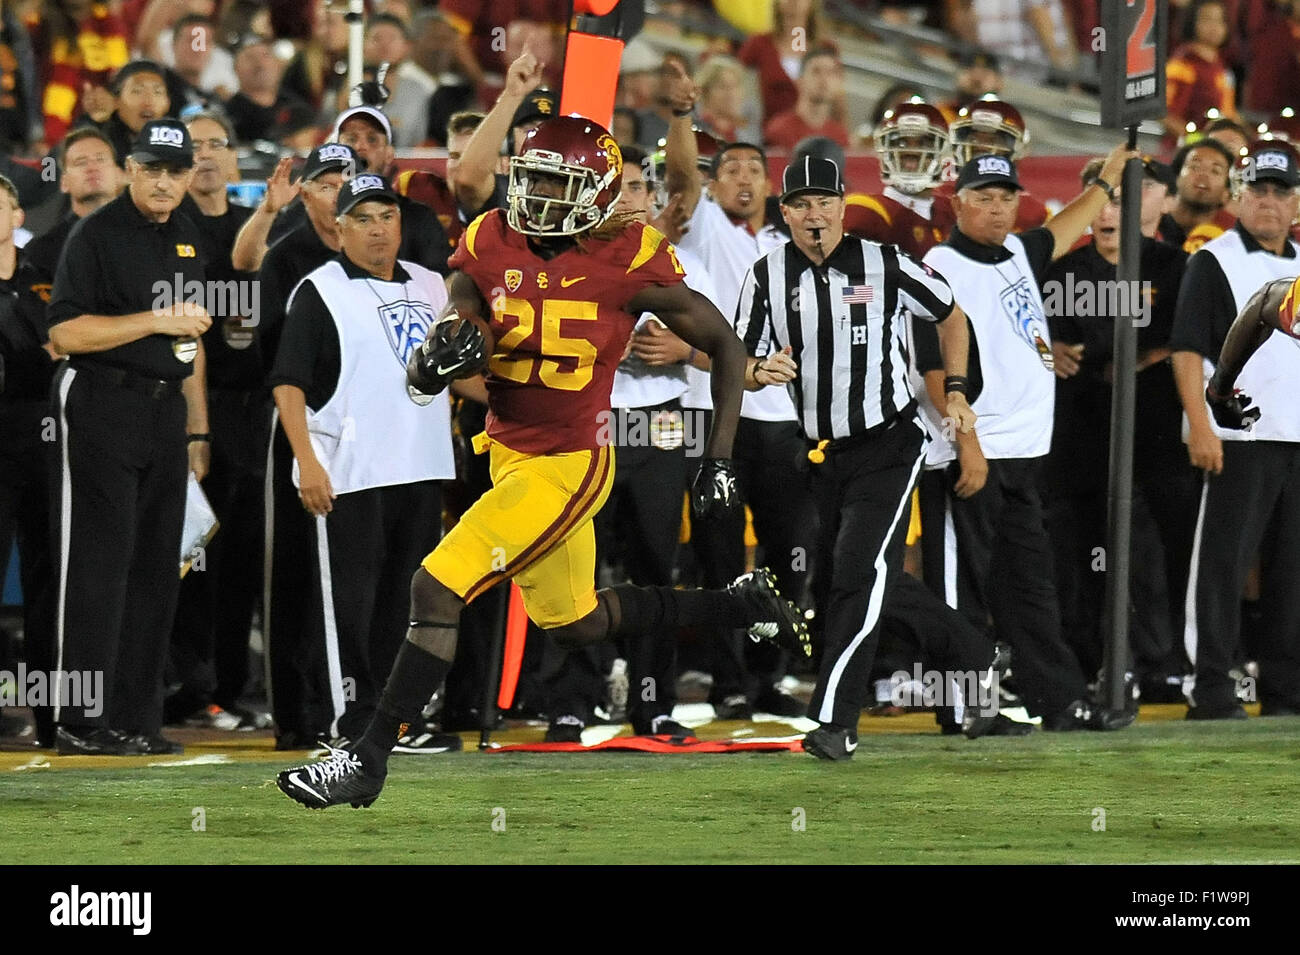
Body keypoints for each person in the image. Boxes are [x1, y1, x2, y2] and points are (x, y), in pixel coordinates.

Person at [275, 113, 810, 809]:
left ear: (594, 192)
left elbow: (729, 346)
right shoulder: (489, 238)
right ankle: (735, 604)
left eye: (556, 182)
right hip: (506, 452)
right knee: (576, 619)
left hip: (567, 463)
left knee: (434, 589)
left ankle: (367, 756)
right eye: (530, 177)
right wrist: (435, 359)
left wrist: (719, 457)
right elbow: (448, 334)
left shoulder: (629, 254)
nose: (537, 193)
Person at [732, 155, 978, 758]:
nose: (814, 215)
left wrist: (955, 391)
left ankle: (834, 721)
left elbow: (951, 315)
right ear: (784, 212)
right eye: (801, 205)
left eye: (825, 202)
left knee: (856, 574)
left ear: (844, 206)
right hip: (820, 452)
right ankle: (970, 651)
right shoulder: (766, 276)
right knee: (860, 578)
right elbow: (735, 360)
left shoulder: (885, 262)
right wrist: (759, 371)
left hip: (891, 442)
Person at [920, 149, 1140, 731]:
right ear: (957, 203)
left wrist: (1106, 179)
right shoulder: (937, 266)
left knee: (1030, 588)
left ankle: (1059, 700)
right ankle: (965, 707)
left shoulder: (1018, 249)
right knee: (958, 587)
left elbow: (1063, 230)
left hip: (1022, 454)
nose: (997, 209)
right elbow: (931, 368)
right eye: (984, 198)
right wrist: (965, 443)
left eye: (1006, 198)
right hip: (971, 450)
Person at [270, 173, 459, 750]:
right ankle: (349, 724)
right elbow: (287, 385)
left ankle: (397, 719)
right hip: (350, 471)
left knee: (408, 602)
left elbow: (460, 373)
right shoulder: (320, 289)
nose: (379, 230)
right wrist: (307, 462)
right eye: (364, 219)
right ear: (339, 228)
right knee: (347, 607)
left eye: (388, 217)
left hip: (421, 467)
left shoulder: (430, 285)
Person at [46, 119, 211, 756]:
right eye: (153, 169)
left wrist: (198, 427)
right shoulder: (96, 235)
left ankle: (136, 718)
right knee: (96, 564)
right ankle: (80, 721)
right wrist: (154, 320)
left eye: (176, 170)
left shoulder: (189, 236)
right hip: (100, 400)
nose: (165, 181)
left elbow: (189, 342)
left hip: (165, 409)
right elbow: (65, 336)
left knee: (155, 569)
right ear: (131, 171)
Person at [664, 63, 815, 719]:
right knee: (719, 555)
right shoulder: (702, 228)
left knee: (786, 555)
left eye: (756, 168)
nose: (746, 176)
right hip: (716, 418)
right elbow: (677, 178)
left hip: (783, 419)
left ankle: (772, 674)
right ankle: (727, 678)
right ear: (712, 181)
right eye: (731, 168)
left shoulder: (791, 241)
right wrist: (679, 117)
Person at [1042, 157, 1193, 700]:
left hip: (1150, 440)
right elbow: (1028, 333)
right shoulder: (1059, 271)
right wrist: (1049, 349)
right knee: (1077, 551)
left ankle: (1157, 664)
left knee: (1147, 555)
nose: (1107, 214)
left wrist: (1138, 359)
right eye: (1098, 202)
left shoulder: (1172, 268)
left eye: (1117, 202)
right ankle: (1086, 663)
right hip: (1075, 438)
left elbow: (1189, 342)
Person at [1169, 139, 1300, 719]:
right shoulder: (1214, 259)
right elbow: (1187, 350)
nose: (1269, 202)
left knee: (1293, 572)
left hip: (1297, 435)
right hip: (1240, 435)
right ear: (1240, 195)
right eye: (1259, 190)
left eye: (1281, 192)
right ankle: (1212, 684)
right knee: (1220, 564)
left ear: (1296, 203)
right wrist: (1201, 425)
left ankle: (1284, 684)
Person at [164, 111, 267, 731]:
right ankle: (189, 685)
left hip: (253, 415)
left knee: (241, 560)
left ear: (233, 160)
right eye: (193, 146)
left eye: (216, 144)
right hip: (192, 411)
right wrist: (194, 430)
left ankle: (231, 687)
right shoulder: (169, 229)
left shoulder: (252, 229)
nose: (206, 155)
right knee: (191, 556)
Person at [847, 99, 955, 260]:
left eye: (924, 143)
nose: (911, 152)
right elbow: (842, 284)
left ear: (944, 153)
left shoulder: (952, 213)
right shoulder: (867, 212)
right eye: (901, 142)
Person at [761, 47, 849, 152]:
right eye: (816, 71)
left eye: (830, 73)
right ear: (800, 80)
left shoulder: (840, 135)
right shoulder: (779, 130)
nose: (824, 80)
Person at [1158, 138, 1236, 252]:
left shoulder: (1229, 245)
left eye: (1215, 171)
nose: (1204, 174)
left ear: (1226, 194)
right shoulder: (1149, 227)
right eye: (1195, 166)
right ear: (1176, 179)